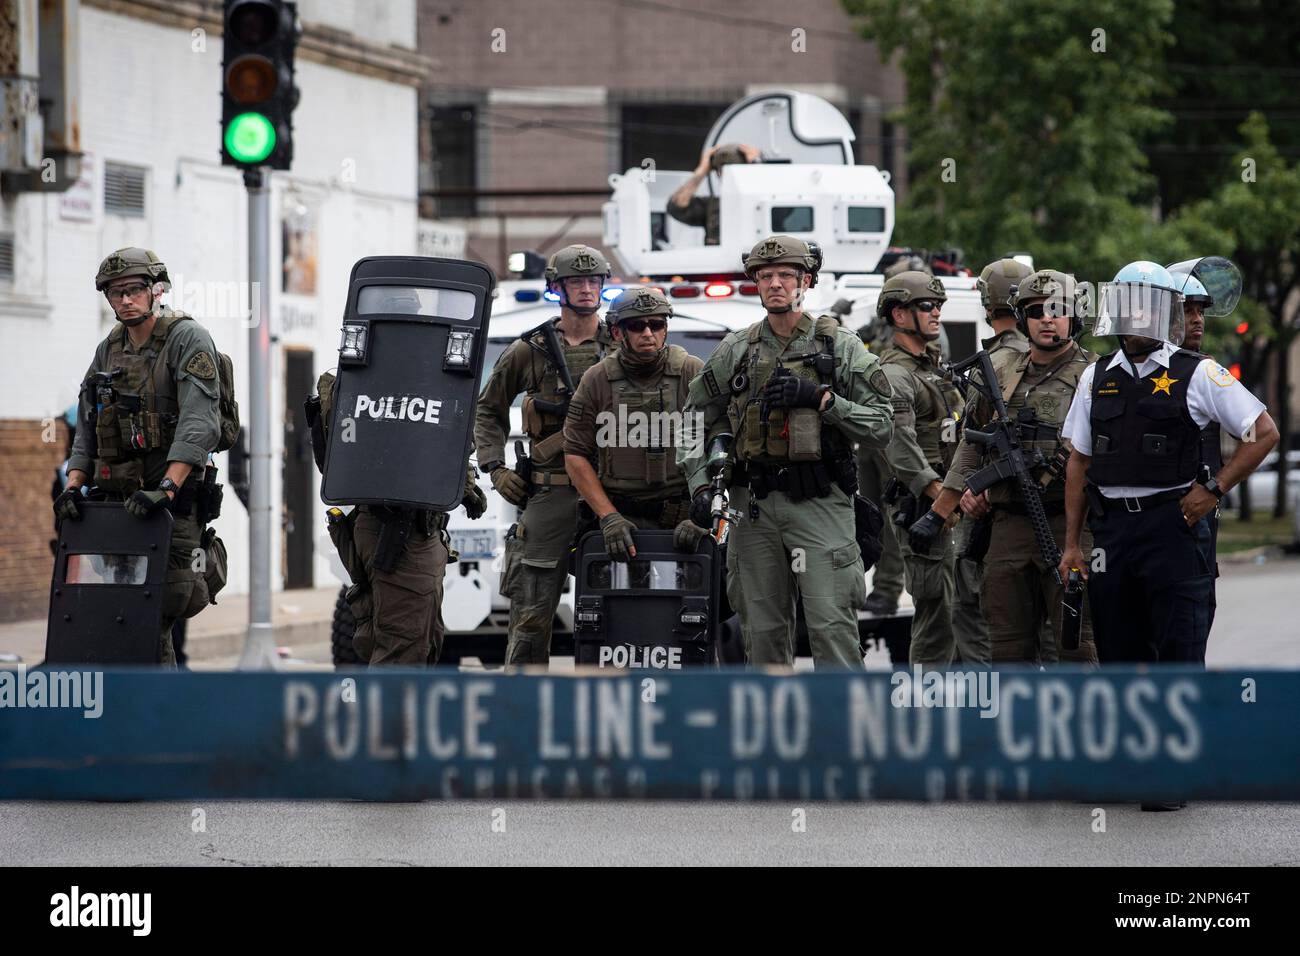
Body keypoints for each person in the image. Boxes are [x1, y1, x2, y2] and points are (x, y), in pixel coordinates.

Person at [679, 235, 894, 667]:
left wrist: (823, 400)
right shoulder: (736, 350)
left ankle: (841, 726)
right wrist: (701, 485)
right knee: (761, 632)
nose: (775, 283)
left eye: (786, 276)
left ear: (806, 282)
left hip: (820, 504)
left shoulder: (839, 347)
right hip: (751, 507)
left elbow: (882, 425)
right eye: (765, 276)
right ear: (756, 283)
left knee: (832, 627)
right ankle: (771, 729)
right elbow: (689, 421)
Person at [1058, 260, 1278, 666]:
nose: (1137, 315)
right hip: (1114, 533)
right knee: (1118, 660)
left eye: (1148, 306)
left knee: (1179, 657)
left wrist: (1213, 490)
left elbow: (1264, 433)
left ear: (1164, 313)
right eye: (1129, 304)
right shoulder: (1095, 376)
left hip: (1173, 527)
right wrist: (1072, 544)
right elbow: (1080, 461)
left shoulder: (1199, 373)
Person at [917, 269, 1099, 665]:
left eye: (1058, 309)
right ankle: (1013, 726)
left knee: (1076, 644)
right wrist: (953, 500)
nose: (1047, 319)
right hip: (1007, 526)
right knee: (1006, 648)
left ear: (1075, 315)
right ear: (1022, 319)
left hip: (1069, 527)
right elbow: (972, 441)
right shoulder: (1001, 374)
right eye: (1036, 311)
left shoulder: (1097, 376)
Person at [54, 248, 223, 666]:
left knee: (161, 604)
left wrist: (167, 488)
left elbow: (201, 422)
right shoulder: (109, 349)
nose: (125, 300)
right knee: (114, 612)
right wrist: (74, 487)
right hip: (117, 506)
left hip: (169, 504)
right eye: (115, 293)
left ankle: (158, 716)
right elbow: (89, 427)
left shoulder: (187, 339)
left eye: (134, 290)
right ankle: (141, 712)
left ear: (156, 290)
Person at [475, 244, 617, 666]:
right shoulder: (531, 349)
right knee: (531, 617)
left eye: (594, 281)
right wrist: (495, 467)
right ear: (557, 287)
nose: (587, 289)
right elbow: (488, 409)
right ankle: (522, 711)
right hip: (550, 492)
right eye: (577, 281)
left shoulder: (620, 342)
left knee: (620, 612)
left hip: (614, 495)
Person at [564, 287, 707, 558]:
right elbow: (575, 454)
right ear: (617, 333)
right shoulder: (597, 379)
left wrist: (703, 515)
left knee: (695, 598)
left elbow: (720, 443)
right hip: (622, 519)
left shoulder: (691, 371)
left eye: (656, 324)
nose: (648, 333)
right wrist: (608, 517)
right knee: (616, 599)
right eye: (637, 326)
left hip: (684, 518)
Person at [874, 271, 971, 666]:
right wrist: (938, 495)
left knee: (964, 612)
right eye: (927, 306)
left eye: (939, 306)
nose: (936, 314)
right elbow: (898, 443)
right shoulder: (895, 375)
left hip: (954, 505)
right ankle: (925, 714)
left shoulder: (933, 367)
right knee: (938, 618)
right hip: (926, 510)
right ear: (899, 315)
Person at [666, 142, 760, 245]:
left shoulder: (762, 203)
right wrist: (702, 170)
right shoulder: (713, 207)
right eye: (721, 170)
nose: (727, 175)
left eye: (733, 170)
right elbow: (677, 207)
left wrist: (756, 166)